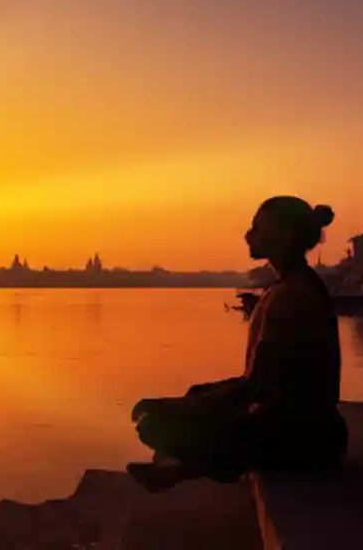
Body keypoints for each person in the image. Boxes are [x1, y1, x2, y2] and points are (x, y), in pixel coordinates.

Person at [126, 196, 348, 492]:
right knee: (197, 395)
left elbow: (255, 386)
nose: (248, 235)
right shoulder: (293, 285)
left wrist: (174, 407)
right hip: (313, 430)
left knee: (156, 424)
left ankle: (181, 467)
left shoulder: (291, 296)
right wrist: (194, 400)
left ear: (284, 234)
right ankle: (176, 467)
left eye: (257, 228)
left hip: (306, 439)